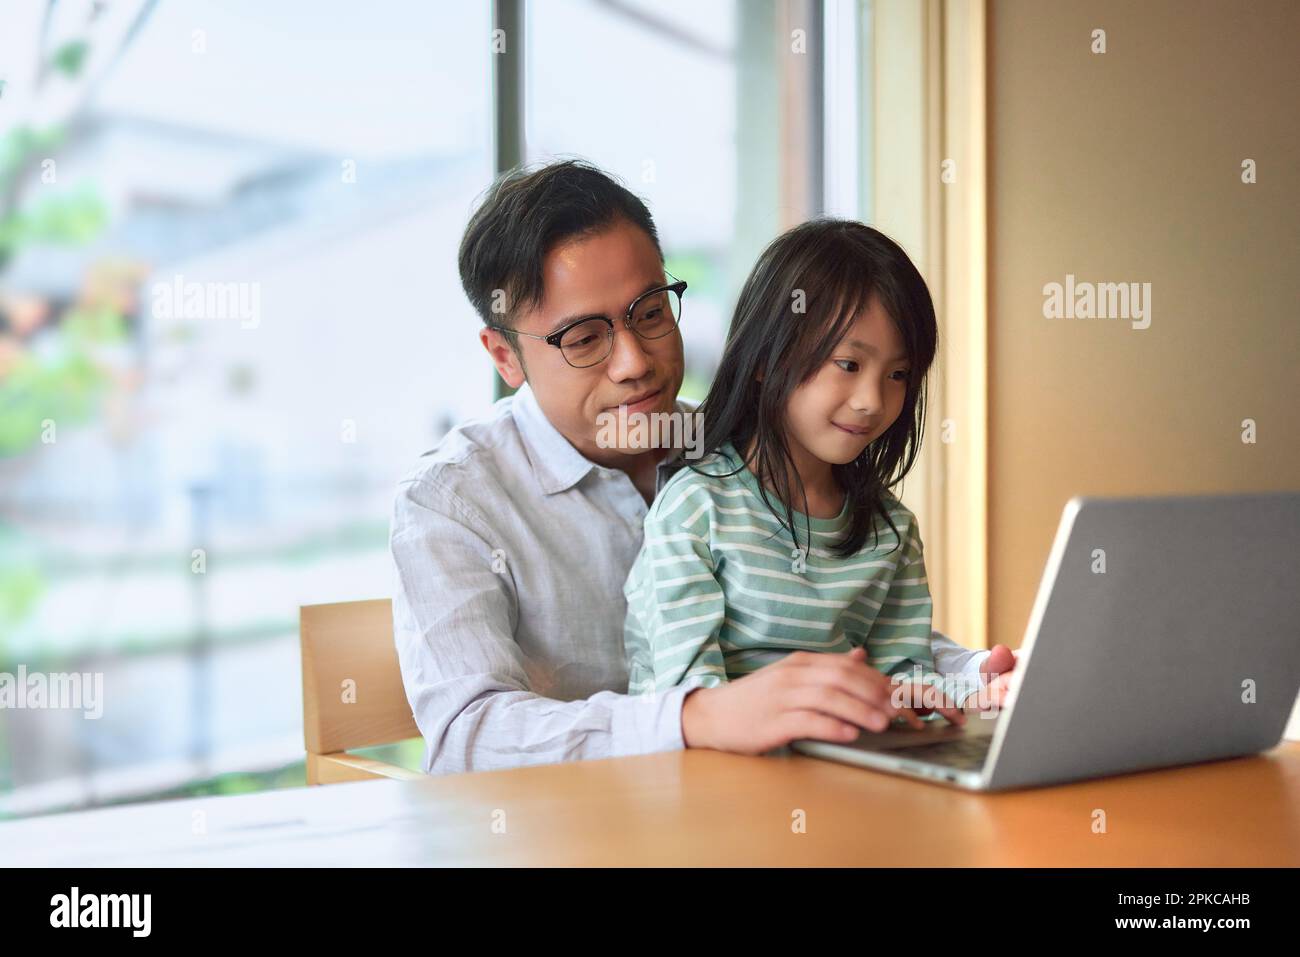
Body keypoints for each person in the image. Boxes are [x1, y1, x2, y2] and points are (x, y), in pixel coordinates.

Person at [389, 160, 1016, 775]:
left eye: (652, 312)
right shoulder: (451, 500)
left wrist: (968, 677)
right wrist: (696, 718)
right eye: (584, 339)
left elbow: (828, 632)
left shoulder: (745, 447)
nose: (635, 361)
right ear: (505, 356)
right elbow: (469, 735)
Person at [625, 219, 977, 736]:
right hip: (713, 787)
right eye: (848, 364)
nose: (872, 401)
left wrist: (975, 691)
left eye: (897, 375)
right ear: (768, 358)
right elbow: (687, 701)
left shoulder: (892, 530)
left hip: (849, 780)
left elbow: (902, 677)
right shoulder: (696, 510)